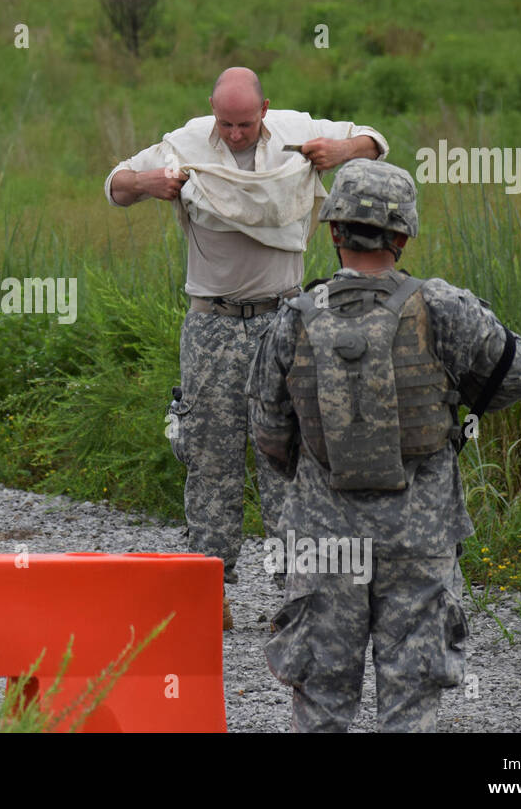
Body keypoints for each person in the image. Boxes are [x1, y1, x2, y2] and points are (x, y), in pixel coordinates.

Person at [246, 157, 521, 731]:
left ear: (333, 230)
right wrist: (456, 411)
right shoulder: (443, 306)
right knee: (411, 697)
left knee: (322, 698)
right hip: (420, 531)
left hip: (323, 537)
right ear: (403, 235)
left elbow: (269, 435)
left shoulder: (293, 318)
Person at [104, 66, 389, 627]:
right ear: (213, 111)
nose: (235, 133)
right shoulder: (182, 144)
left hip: (282, 320)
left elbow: (375, 141)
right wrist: (149, 185)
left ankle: (296, 597)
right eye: (226, 123)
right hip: (210, 323)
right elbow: (115, 184)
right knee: (210, 455)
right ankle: (209, 593)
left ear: (265, 109)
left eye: (244, 122)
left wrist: (339, 149)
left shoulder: (293, 131)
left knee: (286, 455)